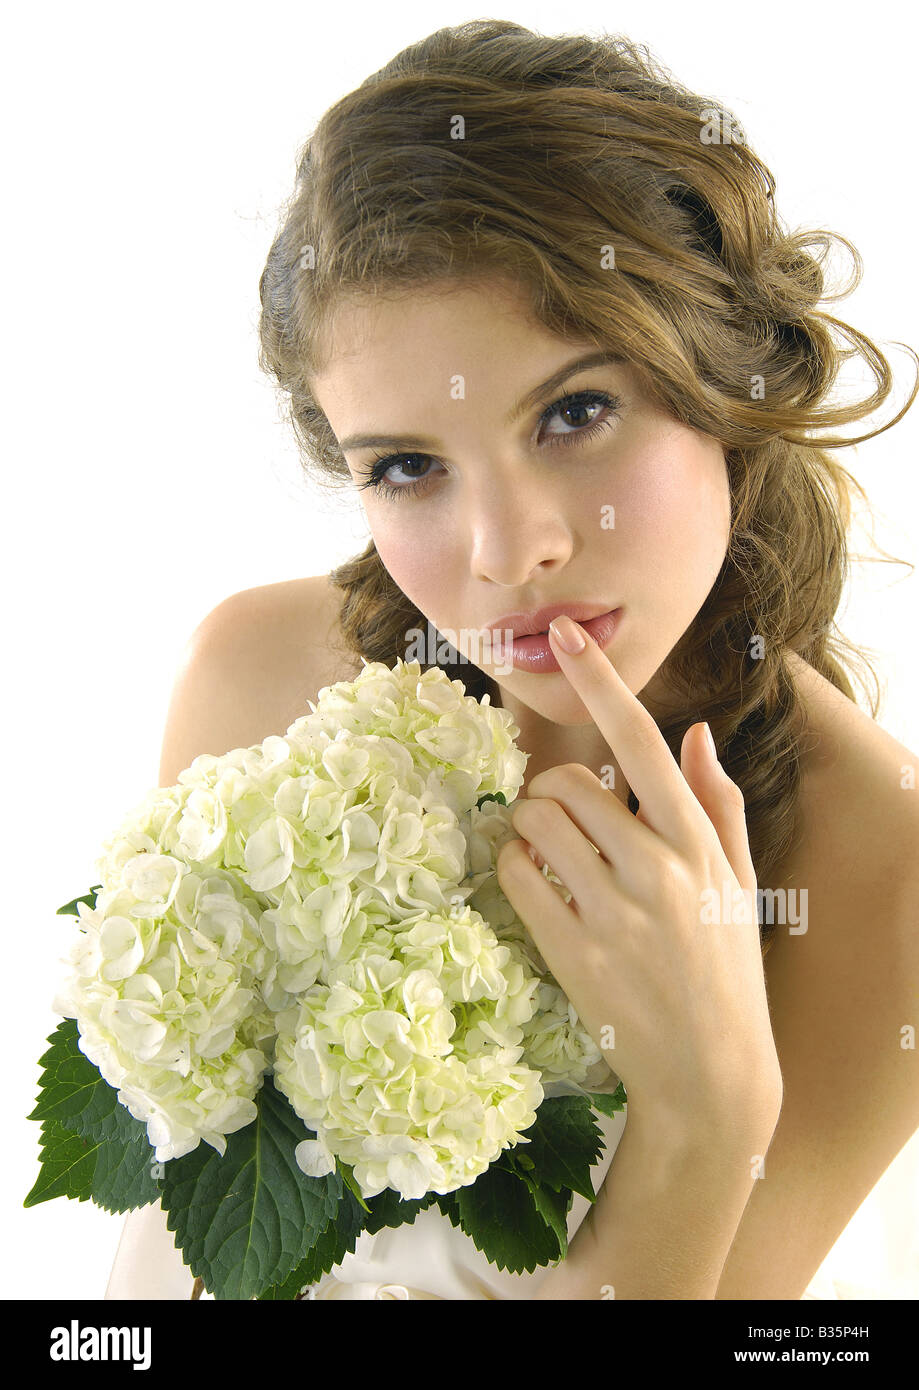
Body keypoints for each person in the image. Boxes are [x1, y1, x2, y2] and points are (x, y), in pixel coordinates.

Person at [106, 19, 919, 1300]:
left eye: (575, 412)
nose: (509, 551)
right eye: (409, 466)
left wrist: (706, 1122)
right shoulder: (256, 680)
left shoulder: (879, 858)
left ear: (725, 373)